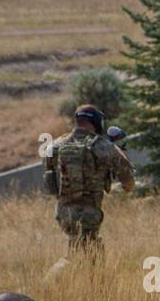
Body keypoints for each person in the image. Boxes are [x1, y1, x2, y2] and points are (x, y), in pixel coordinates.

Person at [43, 104, 134, 252]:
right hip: (89, 214)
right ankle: (63, 268)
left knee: (80, 248)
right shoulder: (104, 146)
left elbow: (50, 180)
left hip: (63, 214)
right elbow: (128, 183)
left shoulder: (54, 146)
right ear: (96, 122)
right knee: (91, 256)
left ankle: (73, 265)